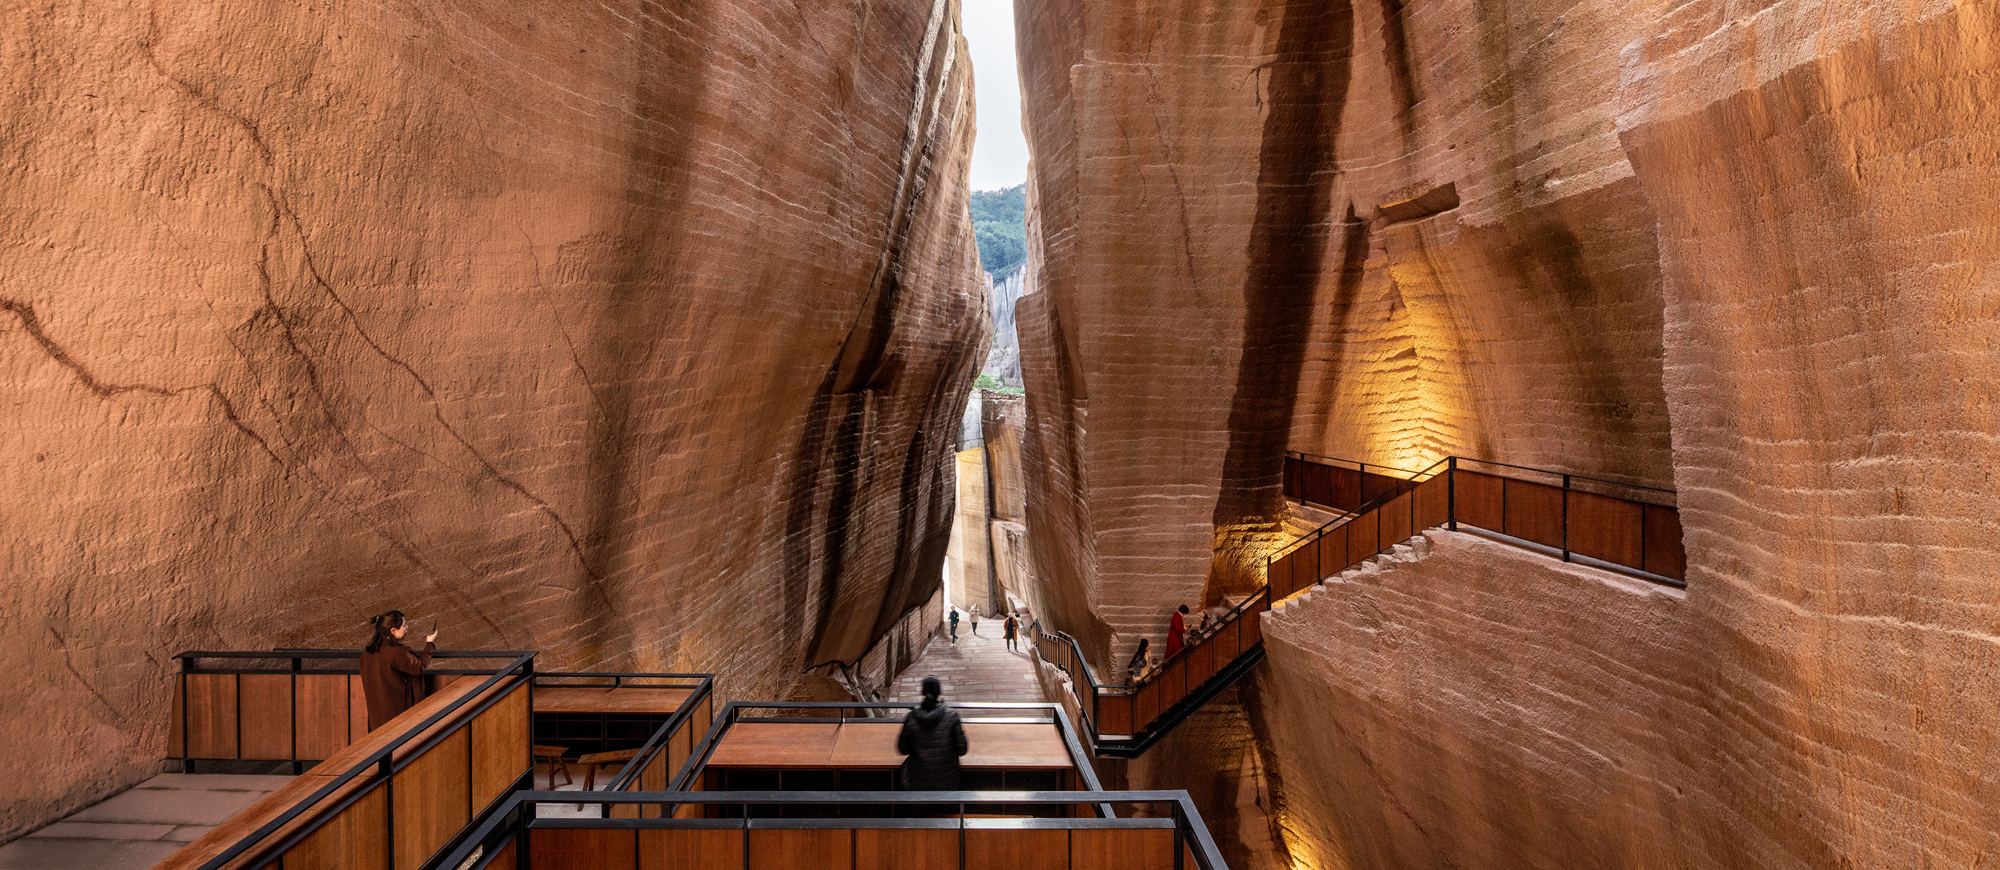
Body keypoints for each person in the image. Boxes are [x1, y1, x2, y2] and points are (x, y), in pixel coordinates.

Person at [360, 610, 437, 731]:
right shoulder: (396, 653)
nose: (407, 628)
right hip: (398, 719)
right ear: (393, 631)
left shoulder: (367, 654)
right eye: (404, 625)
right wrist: (430, 644)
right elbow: (419, 667)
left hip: (377, 719)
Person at [897, 676, 969, 790]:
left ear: (922, 692)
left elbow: (902, 749)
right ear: (940, 692)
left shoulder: (911, 718)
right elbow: (962, 750)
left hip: (918, 782)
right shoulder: (952, 716)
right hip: (949, 782)